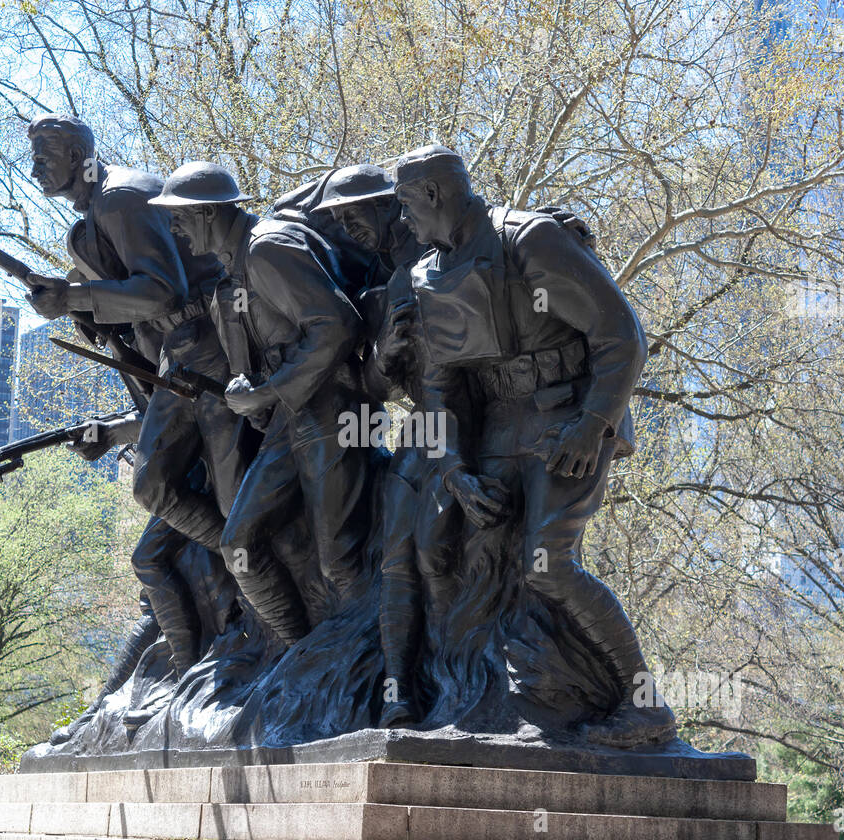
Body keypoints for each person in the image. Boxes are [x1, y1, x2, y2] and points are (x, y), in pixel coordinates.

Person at [393, 144, 676, 747]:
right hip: (496, 427)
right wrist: (455, 472)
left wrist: (592, 423)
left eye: (407, 203)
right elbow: (442, 387)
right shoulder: (427, 275)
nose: (403, 219)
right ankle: (474, 695)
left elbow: (621, 335)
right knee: (441, 548)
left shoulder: (531, 240)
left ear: (436, 194)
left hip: (563, 421)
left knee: (548, 564)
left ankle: (645, 705)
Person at [23, 115, 252, 675]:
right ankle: (229, 590)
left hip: (210, 354)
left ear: (78, 153)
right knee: (156, 497)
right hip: (179, 361)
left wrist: (75, 296)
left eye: (44, 157)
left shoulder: (121, 199)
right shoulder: (92, 221)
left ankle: (251, 582)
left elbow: (161, 291)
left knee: (214, 499)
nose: (33, 170)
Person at [149, 161, 372, 645]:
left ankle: (384, 671)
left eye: (180, 218)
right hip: (290, 418)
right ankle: (298, 654)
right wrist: (246, 390)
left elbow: (336, 325)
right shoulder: (233, 275)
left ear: (208, 214)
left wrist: (267, 391)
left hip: (335, 410)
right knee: (239, 544)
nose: (175, 229)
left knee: (338, 556)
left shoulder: (269, 248)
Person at [311, 164, 460, 726]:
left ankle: (452, 679)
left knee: (435, 553)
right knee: (396, 556)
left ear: (388, 205)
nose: (349, 228)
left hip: (478, 426)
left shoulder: (452, 258)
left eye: (353, 214)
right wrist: (386, 353)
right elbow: (373, 388)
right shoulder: (388, 286)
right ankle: (399, 687)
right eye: (339, 221)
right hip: (423, 428)